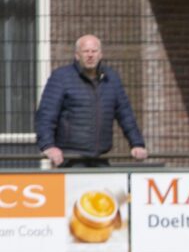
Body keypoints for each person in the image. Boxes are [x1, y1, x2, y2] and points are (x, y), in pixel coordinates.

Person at [35, 34, 147, 168]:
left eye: (94, 51)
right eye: (85, 51)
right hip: (71, 158)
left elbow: (125, 114)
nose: (90, 55)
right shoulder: (61, 77)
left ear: (100, 55)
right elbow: (46, 115)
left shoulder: (111, 78)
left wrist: (137, 143)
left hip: (101, 157)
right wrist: (48, 146)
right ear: (77, 55)